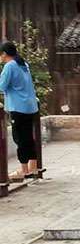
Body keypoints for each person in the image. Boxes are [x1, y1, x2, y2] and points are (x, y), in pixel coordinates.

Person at [0, 41, 39, 182]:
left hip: (18, 107)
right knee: (28, 137)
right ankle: (33, 168)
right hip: (30, 106)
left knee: (19, 138)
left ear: (4, 54)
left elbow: (2, 86)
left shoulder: (9, 66)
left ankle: (24, 170)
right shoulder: (23, 64)